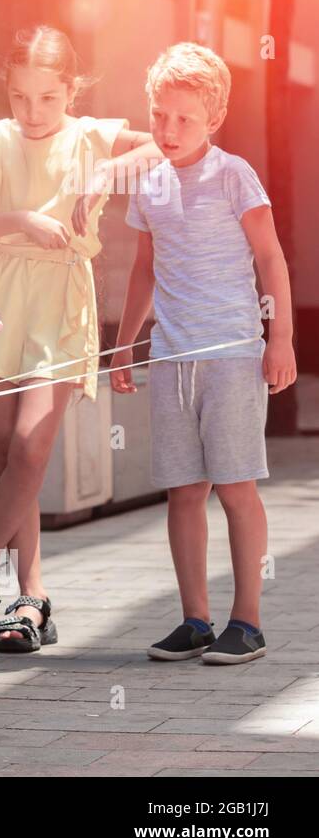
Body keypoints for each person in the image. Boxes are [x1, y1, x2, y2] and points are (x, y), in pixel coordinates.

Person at [0, 25, 161, 652]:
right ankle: (31, 599)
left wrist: (107, 173)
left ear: (71, 89)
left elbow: (166, 145)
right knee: (11, 457)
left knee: (33, 451)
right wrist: (22, 220)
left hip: (63, 300)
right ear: (7, 93)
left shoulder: (91, 135)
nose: (33, 112)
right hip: (1, 295)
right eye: (19, 98)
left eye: (47, 97)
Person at [112, 43, 295, 665]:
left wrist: (282, 340)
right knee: (183, 491)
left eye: (184, 119)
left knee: (236, 487)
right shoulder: (150, 185)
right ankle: (195, 619)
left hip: (232, 355)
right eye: (161, 115)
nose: (168, 130)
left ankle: (248, 623)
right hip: (170, 359)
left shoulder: (234, 174)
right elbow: (144, 269)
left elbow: (271, 258)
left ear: (213, 119)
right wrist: (125, 344)